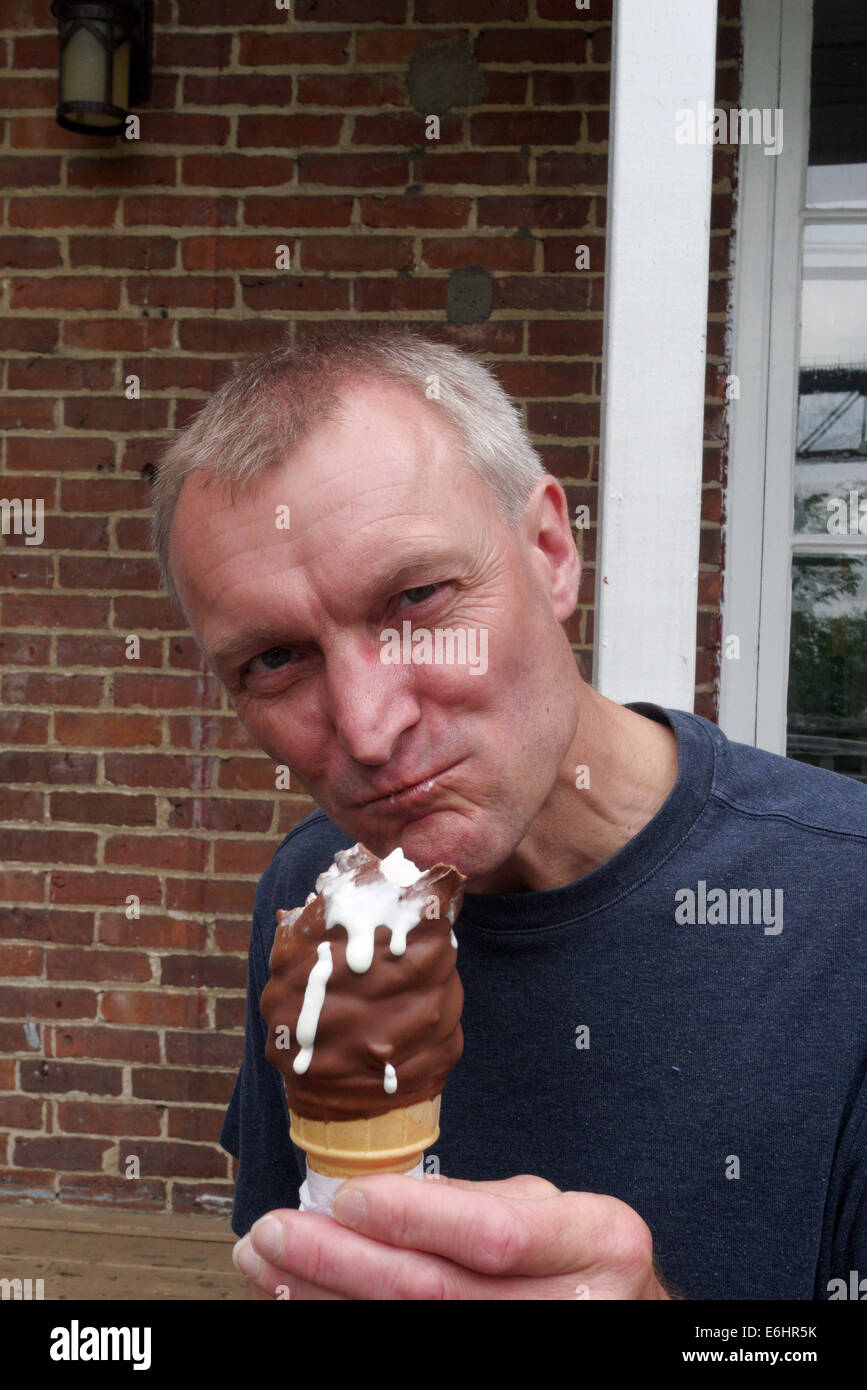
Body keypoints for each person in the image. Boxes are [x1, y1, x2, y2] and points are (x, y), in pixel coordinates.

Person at [153, 325, 867, 1301]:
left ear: (550, 551)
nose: (367, 729)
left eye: (417, 597)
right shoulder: (312, 886)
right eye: (274, 659)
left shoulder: (844, 905)